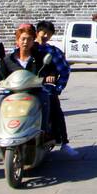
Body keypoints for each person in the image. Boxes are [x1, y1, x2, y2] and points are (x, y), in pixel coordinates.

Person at [34, 21, 76, 156]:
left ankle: (64, 141)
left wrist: (57, 87)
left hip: (45, 89)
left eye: (49, 34)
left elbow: (64, 70)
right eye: (43, 32)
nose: (45, 36)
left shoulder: (52, 51)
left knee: (56, 109)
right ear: (37, 32)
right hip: (24, 87)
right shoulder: (27, 48)